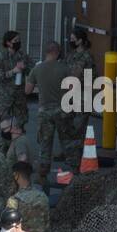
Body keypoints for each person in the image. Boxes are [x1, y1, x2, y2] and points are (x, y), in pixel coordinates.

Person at [26, 41, 71, 186]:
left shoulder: (37, 69)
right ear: (57, 52)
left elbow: (27, 90)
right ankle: (72, 172)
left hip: (44, 111)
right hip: (62, 111)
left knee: (45, 145)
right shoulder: (65, 69)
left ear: (46, 52)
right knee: (67, 142)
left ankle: (42, 175)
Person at [0, 29, 31, 144]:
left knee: (21, 123)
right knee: (3, 124)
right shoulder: (1, 57)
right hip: (4, 97)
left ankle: (18, 148)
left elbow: (32, 71)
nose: (18, 42)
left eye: (19, 40)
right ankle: (2, 148)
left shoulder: (23, 56)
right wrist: (13, 71)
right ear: (8, 43)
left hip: (19, 96)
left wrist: (25, 68)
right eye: (15, 40)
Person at [62, 27, 95, 172]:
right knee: (68, 128)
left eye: (73, 38)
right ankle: (69, 155)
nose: (71, 41)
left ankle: (76, 164)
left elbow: (91, 79)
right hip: (69, 97)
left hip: (82, 98)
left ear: (80, 41)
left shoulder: (87, 58)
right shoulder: (71, 56)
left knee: (78, 130)